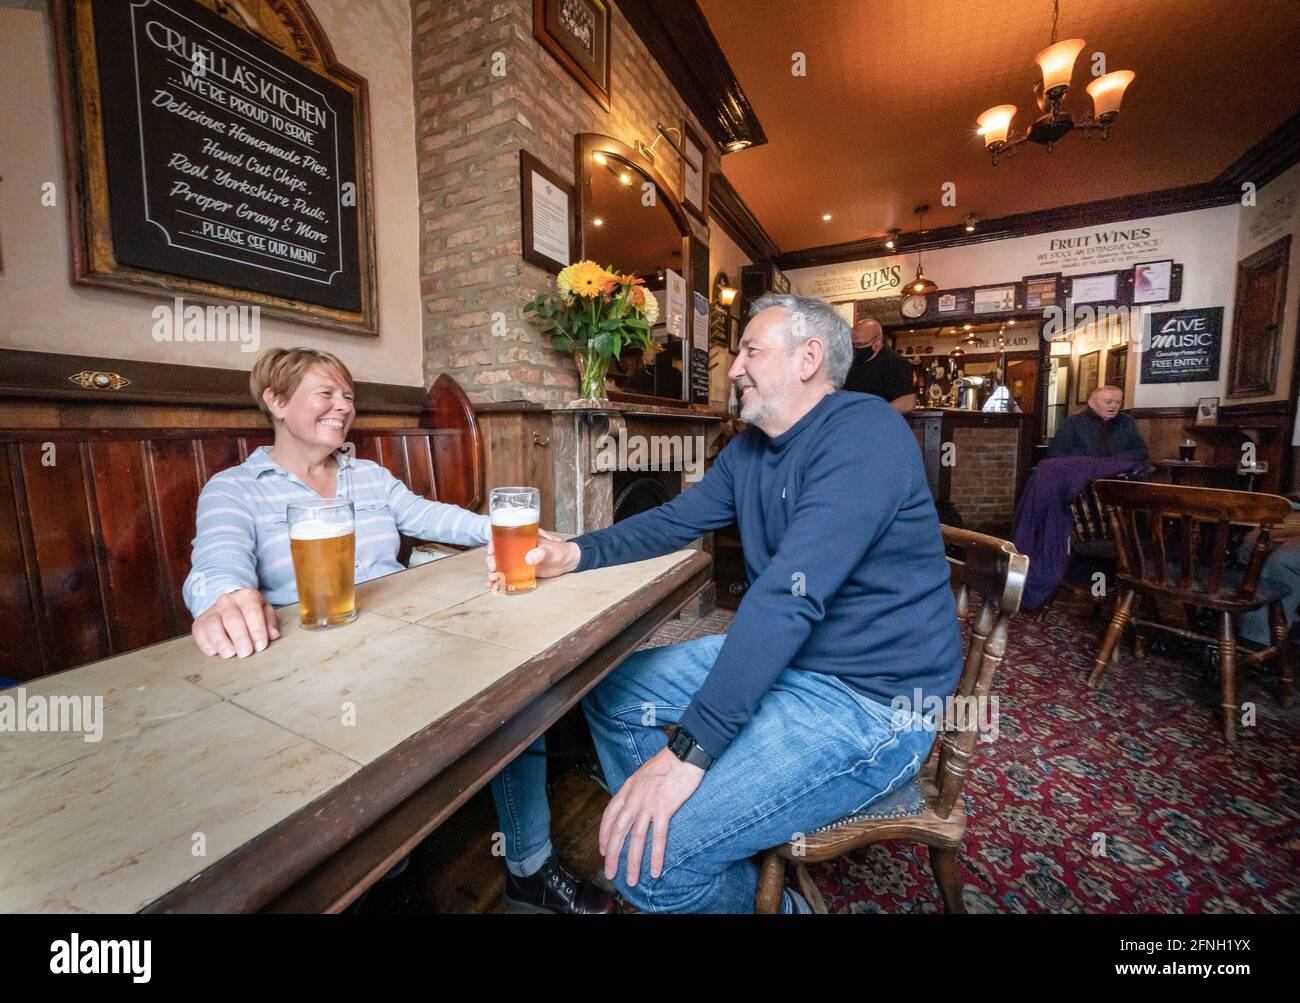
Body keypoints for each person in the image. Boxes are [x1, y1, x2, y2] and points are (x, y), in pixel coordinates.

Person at [487, 293, 961, 913]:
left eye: (750, 351)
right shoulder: (748, 450)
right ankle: (685, 831)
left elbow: (788, 598)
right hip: (797, 667)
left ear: (808, 358)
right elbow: (673, 520)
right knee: (611, 692)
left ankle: (711, 871)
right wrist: (574, 552)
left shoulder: (865, 431)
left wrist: (689, 754)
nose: (733, 368)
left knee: (648, 873)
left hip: (872, 703)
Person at [182, 347, 614, 915]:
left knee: (517, 689)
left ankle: (528, 869)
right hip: (312, 665)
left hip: (410, 637)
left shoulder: (368, 475)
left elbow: (437, 517)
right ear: (277, 402)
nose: (343, 408)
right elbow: (214, 560)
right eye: (326, 394)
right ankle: (387, 881)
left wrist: (527, 534)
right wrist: (223, 597)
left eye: (349, 398)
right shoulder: (235, 488)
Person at [1047, 384, 1148, 460]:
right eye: (1108, 402)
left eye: (1118, 402)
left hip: (1115, 473)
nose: (1114, 406)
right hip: (1082, 474)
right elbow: (1056, 452)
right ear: (1092, 403)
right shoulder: (1074, 423)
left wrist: (1115, 461)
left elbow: (1140, 451)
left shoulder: (1126, 422)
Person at [841, 317, 917, 413]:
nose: (854, 349)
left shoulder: (896, 363)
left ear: (877, 343)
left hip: (877, 423)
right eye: (852, 344)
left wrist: (875, 415)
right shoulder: (848, 362)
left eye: (859, 344)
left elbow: (908, 402)